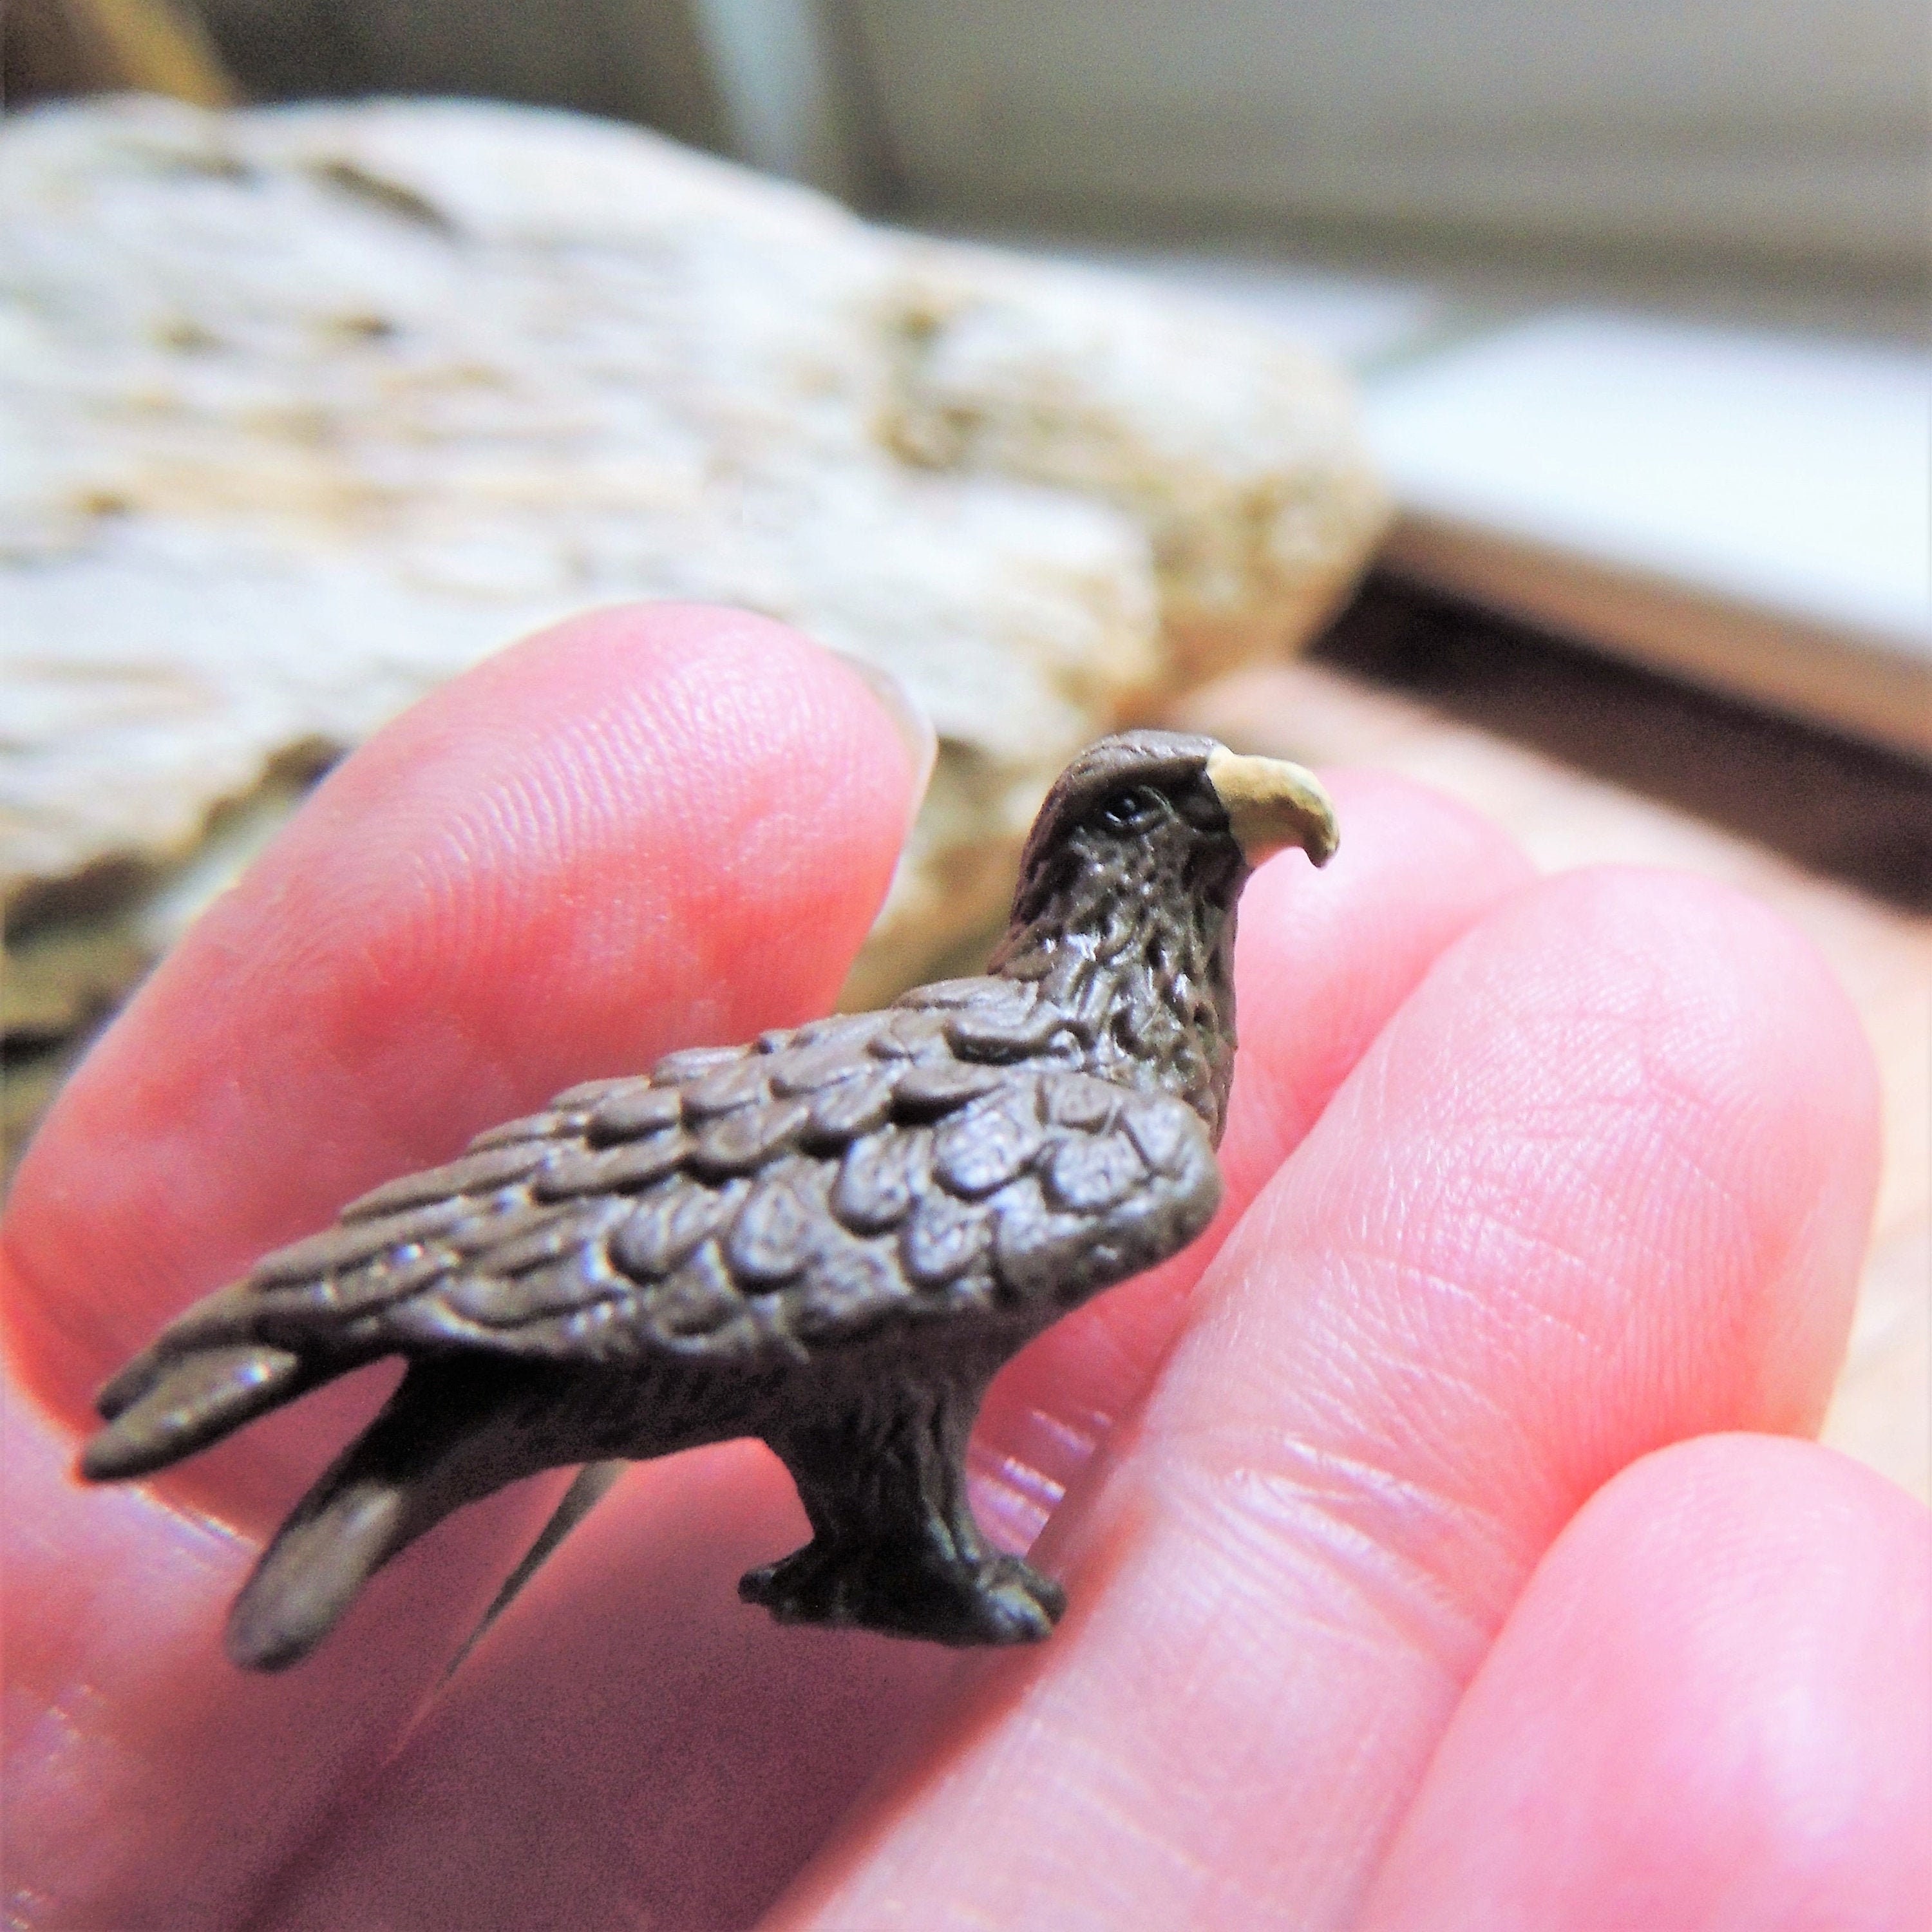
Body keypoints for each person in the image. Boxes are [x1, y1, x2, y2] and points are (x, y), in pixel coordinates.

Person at [4, 605, 1924, 1931]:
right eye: (1190, 812)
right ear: (1128, 853)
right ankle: (893, 1548)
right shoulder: (1110, 1121)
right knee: (898, 1347)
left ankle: (884, 1547)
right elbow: (794, 1271)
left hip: (749, 1335)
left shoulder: (1066, 1067)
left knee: (893, 1395)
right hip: (649, 1306)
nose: (1254, 821)